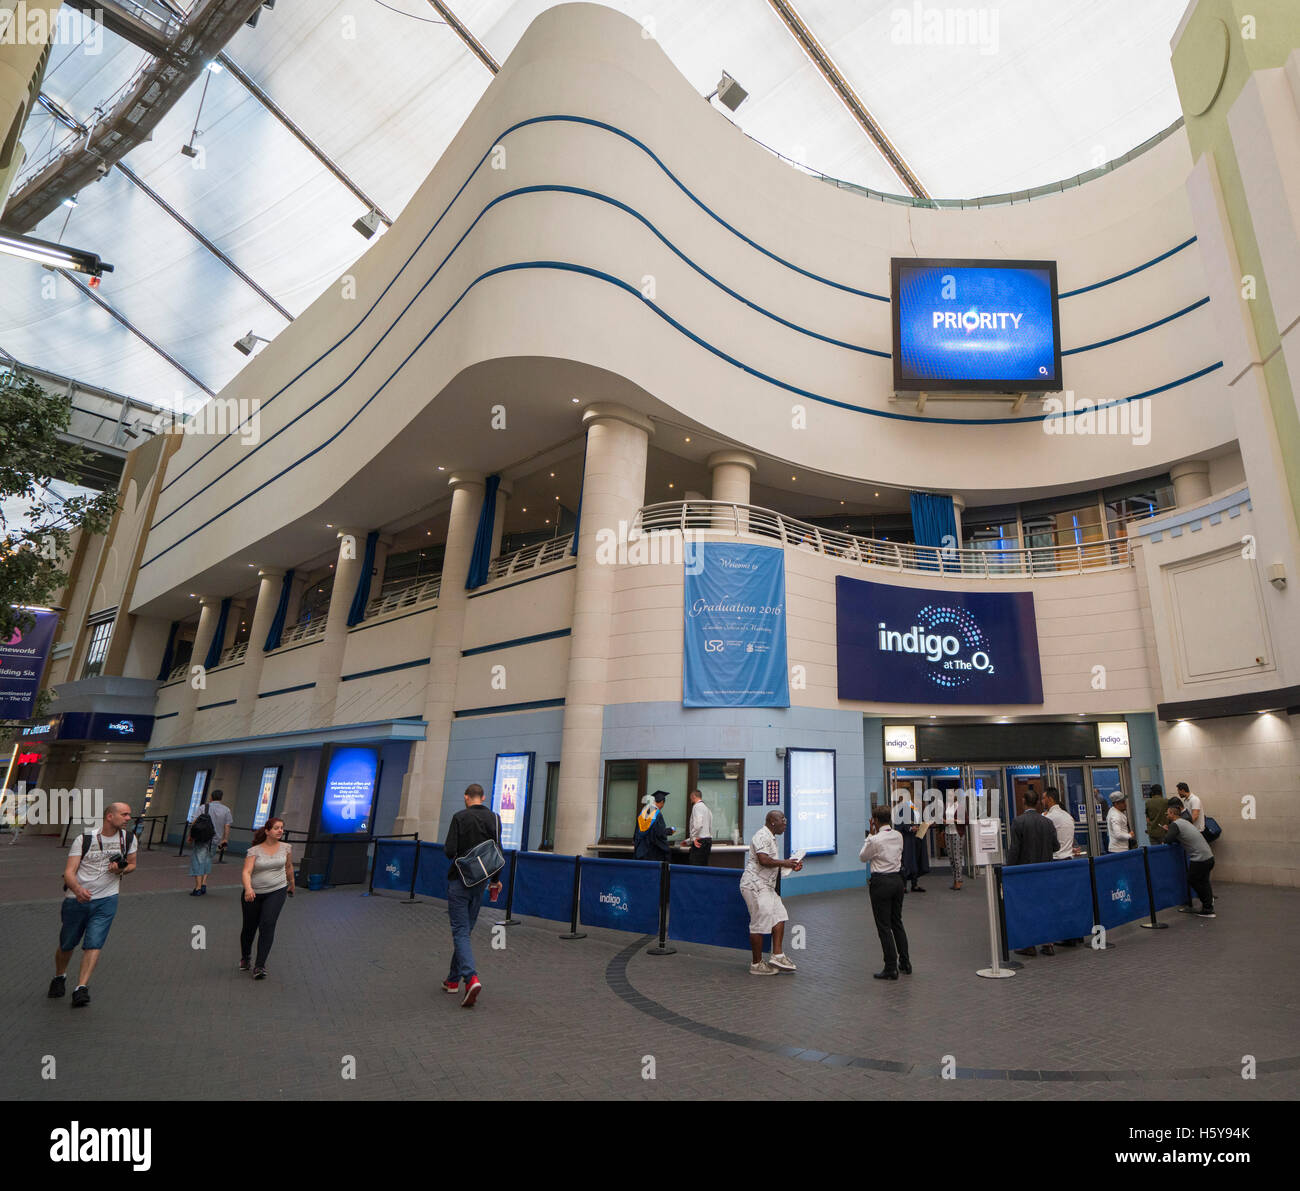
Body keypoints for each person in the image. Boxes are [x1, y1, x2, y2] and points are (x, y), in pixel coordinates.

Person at [50, 801, 138, 1007]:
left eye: (129, 815)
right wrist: (78, 889)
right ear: (110, 816)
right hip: (77, 900)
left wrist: (121, 870)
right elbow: (69, 872)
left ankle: (81, 988)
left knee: (94, 942)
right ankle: (60, 976)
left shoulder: (129, 839)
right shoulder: (84, 839)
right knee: (67, 943)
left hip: (107, 899)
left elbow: (133, 864)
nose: (128, 819)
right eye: (124, 815)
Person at [442, 783, 503, 1007]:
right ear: (483, 797)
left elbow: (449, 851)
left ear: (466, 797)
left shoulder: (459, 817)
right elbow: (498, 853)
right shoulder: (495, 819)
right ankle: (452, 981)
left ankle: (471, 978)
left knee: (460, 932)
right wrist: (495, 881)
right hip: (481, 882)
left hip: (460, 881)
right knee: (465, 931)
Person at [739, 809, 802, 975]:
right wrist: (785, 863)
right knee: (759, 924)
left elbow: (772, 862)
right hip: (754, 885)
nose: (786, 823)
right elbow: (763, 860)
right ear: (773, 821)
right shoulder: (761, 836)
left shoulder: (771, 838)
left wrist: (789, 865)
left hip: (766, 886)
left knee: (780, 915)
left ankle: (777, 955)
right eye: (783, 819)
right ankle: (756, 964)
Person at [240, 816, 295, 979]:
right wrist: (248, 888)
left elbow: (289, 866)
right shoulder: (254, 851)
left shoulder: (286, 848)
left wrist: (291, 882)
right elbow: (246, 872)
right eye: (277, 828)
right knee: (249, 928)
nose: (280, 831)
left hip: (277, 890)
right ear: (267, 831)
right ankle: (245, 957)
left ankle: (260, 966)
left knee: (268, 924)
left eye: (282, 828)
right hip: (254, 893)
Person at [1006, 788, 1058, 957]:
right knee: (1045, 907)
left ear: (1023, 802)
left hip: (1026, 873)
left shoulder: (1018, 822)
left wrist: (1009, 870)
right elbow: (1056, 846)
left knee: (1026, 908)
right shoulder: (1047, 822)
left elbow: (1015, 849)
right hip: (1046, 872)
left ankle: (1029, 945)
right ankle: (1048, 943)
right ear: (1037, 803)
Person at [860, 804, 909, 979]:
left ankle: (890, 967)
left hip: (881, 883)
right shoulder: (898, 835)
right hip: (897, 881)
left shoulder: (875, 839)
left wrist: (870, 835)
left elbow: (863, 857)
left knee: (884, 926)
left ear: (875, 820)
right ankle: (905, 962)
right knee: (897, 922)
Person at [1165, 799, 1215, 917]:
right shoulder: (1185, 822)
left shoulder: (1175, 824)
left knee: (1193, 880)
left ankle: (1207, 906)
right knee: (1204, 881)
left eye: (1167, 813)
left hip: (1199, 859)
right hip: (1209, 856)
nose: (1166, 815)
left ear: (1172, 814)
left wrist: (1168, 832)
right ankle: (1208, 906)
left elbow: (1168, 839)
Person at [896, 789, 929, 892]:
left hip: (917, 838)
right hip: (908, 839)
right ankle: (904, 885)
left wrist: (923, 825)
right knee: (907, 861)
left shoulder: (914, 807)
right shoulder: (902, 808)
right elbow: (899, 824)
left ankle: (914, 884)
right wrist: (910, 828)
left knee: (917, 860)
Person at [632, 790, 673, 862]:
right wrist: (669, 831)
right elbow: (659, 834)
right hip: (652, 852)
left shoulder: (643, 812)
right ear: (661, 802)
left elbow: (637, 833)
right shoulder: (657, 814)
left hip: (640, 851)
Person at [684, 789, 713, 865]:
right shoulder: (707, 808)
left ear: (693, 796)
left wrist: (693, 838)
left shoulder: (697, 806)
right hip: (708, 841)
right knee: (704, 867)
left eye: (690, 797)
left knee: (695, 867)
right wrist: (688, 840)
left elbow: (698, 825)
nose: (690, 799)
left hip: (700, 842)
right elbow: (709, 826)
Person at [942, 791, 963, 890]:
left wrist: (952, 820)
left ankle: (959, 880)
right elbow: (944, 818)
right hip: (948, 832)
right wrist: (943, 821)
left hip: (957, 833)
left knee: (957, 858)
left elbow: (965, 820)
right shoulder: (947, 806)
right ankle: (954, 880)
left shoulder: (960, 806)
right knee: (951, 858)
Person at [206, 788, 233, 862]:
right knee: (208, 859)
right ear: (221, 798)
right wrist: (225, 839)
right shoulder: (226, 810)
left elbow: (194, 821)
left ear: (211, 797)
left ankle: (199, 873)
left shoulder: (204, 807)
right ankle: (204, 873)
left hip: (201, 838)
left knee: (198, 858)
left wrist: (191, 836)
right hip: (215, 839)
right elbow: (227, 825)